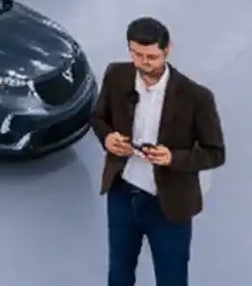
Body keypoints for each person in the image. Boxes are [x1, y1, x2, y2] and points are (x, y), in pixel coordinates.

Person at [91, 17, 226, 286]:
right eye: (136, 55)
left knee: (172, 278)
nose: (143, 62)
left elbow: (215, 153)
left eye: (151, 56)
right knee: (119, 271)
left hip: (168, 205)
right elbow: (98, 118)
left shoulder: (196, 97)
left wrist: (172, 158)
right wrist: (107, 138)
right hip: (122, 194)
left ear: (167, 50)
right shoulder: (117, 76)